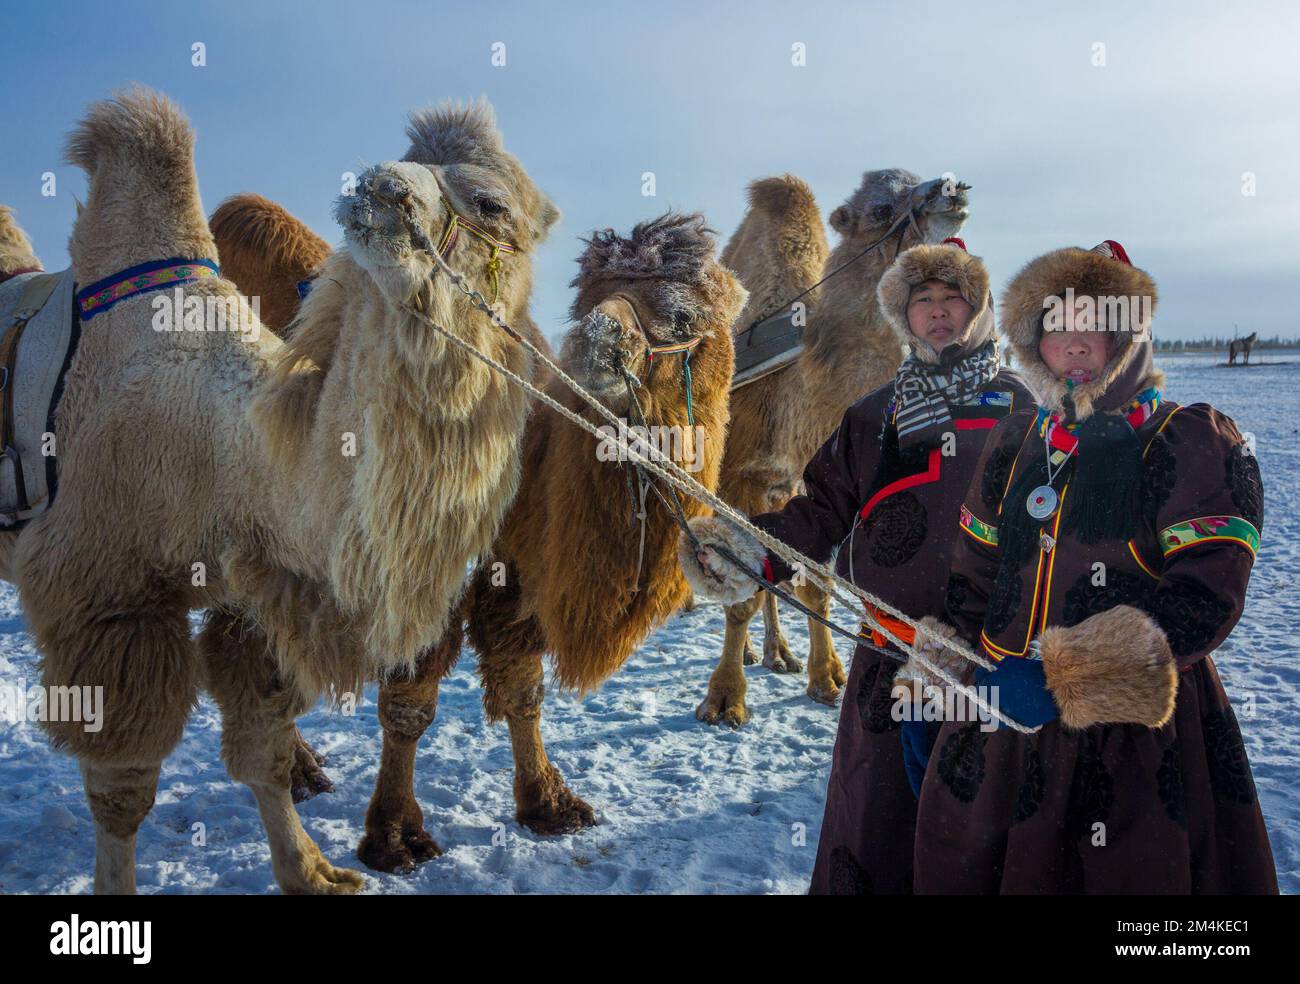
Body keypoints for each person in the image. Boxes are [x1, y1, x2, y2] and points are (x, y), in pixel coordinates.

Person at [907, 240, 1278, 894]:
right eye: (1056, 330)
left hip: (1131, 741)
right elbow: (975, 576)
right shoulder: (1017, 443)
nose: (1073, 346)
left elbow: (1205, 600)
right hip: (1002, 723)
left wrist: (1067, 674)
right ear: (1033, 344)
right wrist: (943, 660)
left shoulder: (1184, 438)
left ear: (1128, 341)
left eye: (1093, 328)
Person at [678, 238, 1032, 893]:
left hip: (995, 667)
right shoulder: (873, 415)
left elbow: (1062, 534)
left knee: (990, 848)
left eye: (952, 297)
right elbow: (816, 517)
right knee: (877, 837)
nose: (936, 312)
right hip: (887, 667)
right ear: (902, 314)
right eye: (920, 299)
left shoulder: (1026, 411)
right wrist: (742, 550)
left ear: (979, 308)